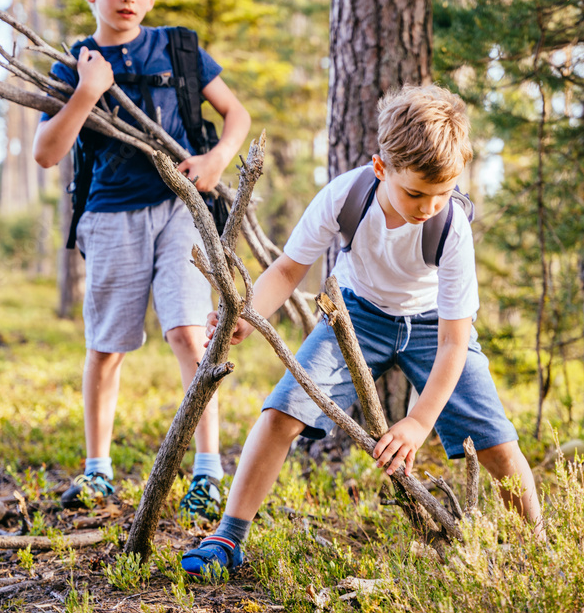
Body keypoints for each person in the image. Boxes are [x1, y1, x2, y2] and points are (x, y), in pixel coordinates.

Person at [181, 84, 541, 577]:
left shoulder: (451, 224)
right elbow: (288, 271)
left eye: (441, 193)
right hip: (359, 317)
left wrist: (417, 422)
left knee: (497, 442)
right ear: (381, 168)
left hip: (436, 328)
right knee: (281, 412)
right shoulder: (346, 195)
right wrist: (245, 313)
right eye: (415, 192)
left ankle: (536, 549)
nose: (428, 206)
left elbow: (457, 340)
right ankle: (229, 534)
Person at [32, 0, 250, 518]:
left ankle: (207, 472)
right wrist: (86, 90)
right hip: (110, 216)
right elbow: (46, 153)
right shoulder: (75, 64)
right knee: (106, 347)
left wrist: (218, 158)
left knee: (189, 335)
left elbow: (237, 115)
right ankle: (98, 471)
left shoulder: (178, 50)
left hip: (182, 207)